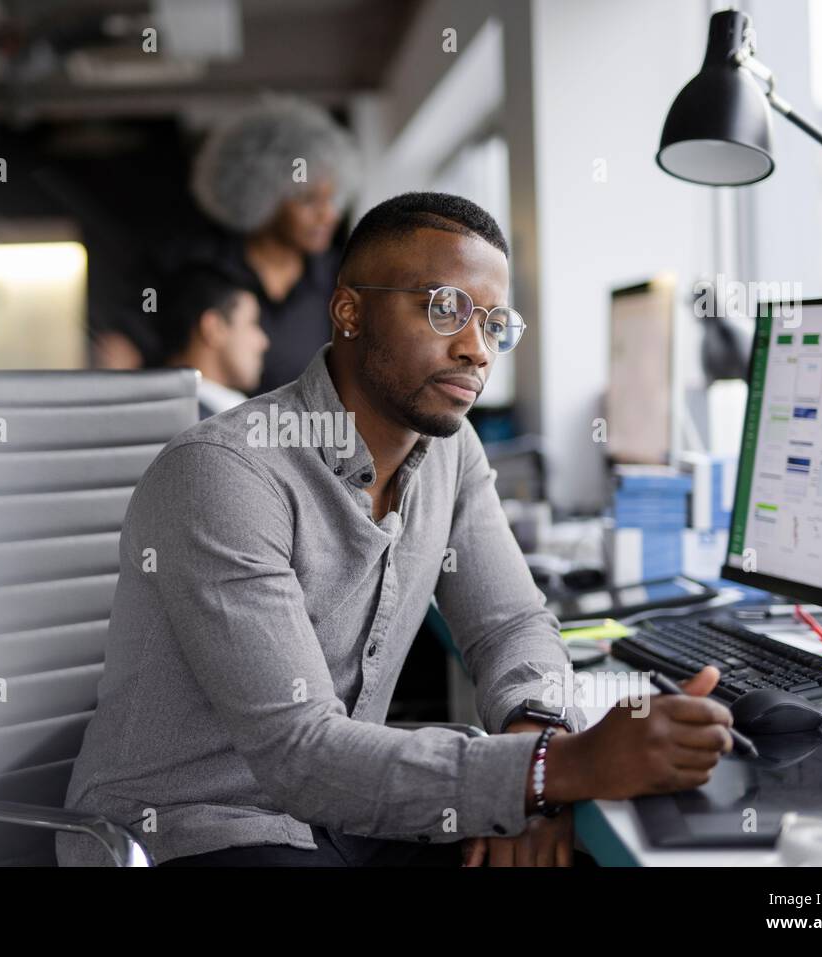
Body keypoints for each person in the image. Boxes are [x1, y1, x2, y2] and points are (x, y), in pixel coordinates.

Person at [57, 192, 734, 867]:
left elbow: (511, 625)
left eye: (496, 323)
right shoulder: (224, 472)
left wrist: (538, 750)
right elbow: (299, 751)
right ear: (349, 310)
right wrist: (549, 770)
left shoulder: (452, 449)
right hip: (193, 829)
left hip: (343, 812)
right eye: (444, 308)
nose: (475, 348)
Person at [189, 95, 358, 393]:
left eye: (332, 199)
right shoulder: (203, 274)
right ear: (262, 198)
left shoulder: (344, 280)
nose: (328, 215)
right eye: (309, 201)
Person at [155, 262, 269, 419]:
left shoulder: (147, 406)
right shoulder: (219, 425)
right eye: (252, 323)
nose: (263, 342)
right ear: (214, 328)